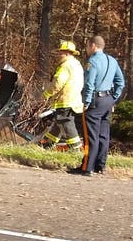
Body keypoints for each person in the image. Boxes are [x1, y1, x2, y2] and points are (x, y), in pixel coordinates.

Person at [68, 35, 125, 176]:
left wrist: (86, 102)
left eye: (87, 46)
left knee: (90, 136)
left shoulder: (93, 61)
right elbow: (120, 82)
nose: (87, 49)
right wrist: (114, 98)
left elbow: (89, 83)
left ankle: (87, 167)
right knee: (103, 135)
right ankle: (100, 166)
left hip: (95, 101)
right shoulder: (112, 60)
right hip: (108, 100)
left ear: (93, 46)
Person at [41, 40, 84, 151]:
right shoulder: (76, 65)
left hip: (65, 100)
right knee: (58, 123)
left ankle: (76, 149)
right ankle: (48, 145)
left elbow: (57, 83)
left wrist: (46, 94)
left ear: (67, 53)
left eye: (61, 52)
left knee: (66, 123)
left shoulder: (65, 66)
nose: (59, 54)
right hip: (74, 100)